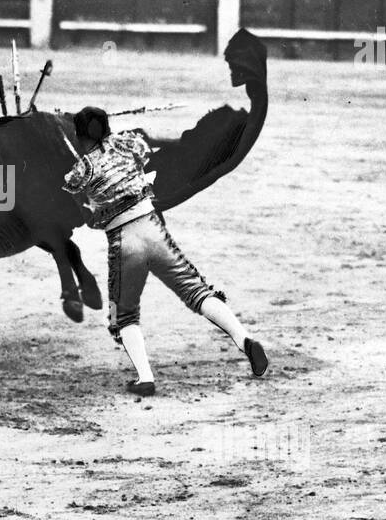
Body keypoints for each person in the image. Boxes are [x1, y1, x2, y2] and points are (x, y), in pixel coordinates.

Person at [61, 105, 269, 397]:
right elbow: (145, 147)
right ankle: (244, 338)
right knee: (195, 291)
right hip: (153, 229)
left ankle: (145, 377)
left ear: (81, 136)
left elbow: (69, 184)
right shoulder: (127, 143)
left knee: (125, 314)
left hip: (124, 241)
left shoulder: (84, 166)